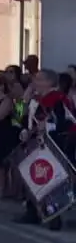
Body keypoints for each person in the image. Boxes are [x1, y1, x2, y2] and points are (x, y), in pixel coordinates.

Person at [15, 69, 76, 230]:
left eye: (39, 79)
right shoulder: (34, 99)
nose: (35, 82)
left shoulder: (59, 99)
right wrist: (24, 129)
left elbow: (68, 123)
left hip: (53, 145)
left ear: (50, 82)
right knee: (33, 177)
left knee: (51, 179)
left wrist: (47, 127)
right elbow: (16, 117)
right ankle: (33, 211)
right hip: (33, 144)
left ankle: (55, 215)